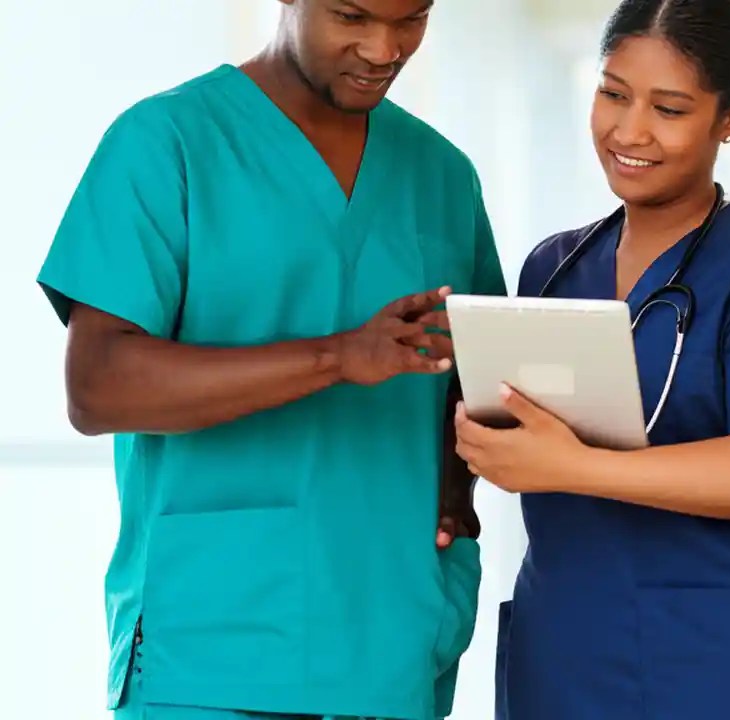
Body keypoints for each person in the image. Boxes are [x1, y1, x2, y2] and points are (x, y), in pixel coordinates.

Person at [36, 1, 506, 719]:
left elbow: (472, 370)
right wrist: (337, 356)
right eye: (352, 15)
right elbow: (98, 386)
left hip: (392, 638)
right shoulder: (167, 143)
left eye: (412, 17)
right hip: (211, 648)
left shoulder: (442, 173)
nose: (384, 48)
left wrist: (457, 502)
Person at [451, 1, 730, 718]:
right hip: (568, 660)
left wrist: (574, 467)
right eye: (613, 93)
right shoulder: (556, 265)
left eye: (669, 109)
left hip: (721, 668)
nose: (629, 131)